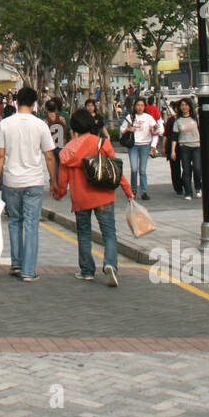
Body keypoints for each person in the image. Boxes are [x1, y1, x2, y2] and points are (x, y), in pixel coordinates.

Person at [56, 108, 135, 285]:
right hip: (104, 195)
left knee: (84, 233)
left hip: (81, 198)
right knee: (109, 234)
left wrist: (59, 193)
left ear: (74, 127)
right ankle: (110, 265)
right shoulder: (102, 144)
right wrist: (128, 191)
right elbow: (117, 170)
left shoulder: (67, 151)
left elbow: (63, 181)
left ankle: (87, 271)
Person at [0, 86, 58, 282]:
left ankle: (16, 263)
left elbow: (0, 155)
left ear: (16, 102)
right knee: (31, 225)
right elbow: (49, 157)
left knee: (14, 222)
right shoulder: (41, 125)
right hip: (34, 181)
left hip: (11, 181)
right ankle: (28, 270)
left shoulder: (4, 125)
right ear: (35, 103)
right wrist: (53, 181)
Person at [119, 98, 160, 200]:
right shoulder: (130, 117)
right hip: (133, 145)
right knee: (134, 168)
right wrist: (129, 129)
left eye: (142, 105)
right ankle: (133, 189)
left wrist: (155, 127)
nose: (140, 107)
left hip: (145, 145)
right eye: (138, 105)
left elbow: (156, 128)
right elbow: (122, 129)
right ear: (135, 106)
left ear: (144, 106)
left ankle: (144, 191)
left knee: (142, 170)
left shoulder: (148, 117)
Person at [170, 97, 201, 200]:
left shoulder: (195, 118)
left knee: (197, 168)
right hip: (184, 147)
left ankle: (198, 188)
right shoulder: (178, 121)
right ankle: (188, 191)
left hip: (196, 146)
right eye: (182, 105)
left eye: (186, 105)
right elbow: (174, 137)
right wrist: (173, 151)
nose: (184, 107)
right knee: (186, 170)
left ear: (190, 106)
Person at [164, 101, 184, 196]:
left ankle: (184, 181)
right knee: (175, 168)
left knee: (187, 167)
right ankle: (178, 187)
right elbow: (166, 135)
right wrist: (164, 147)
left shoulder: (185, 119)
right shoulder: (171, 120)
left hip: (184, 145)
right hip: (172, 146)